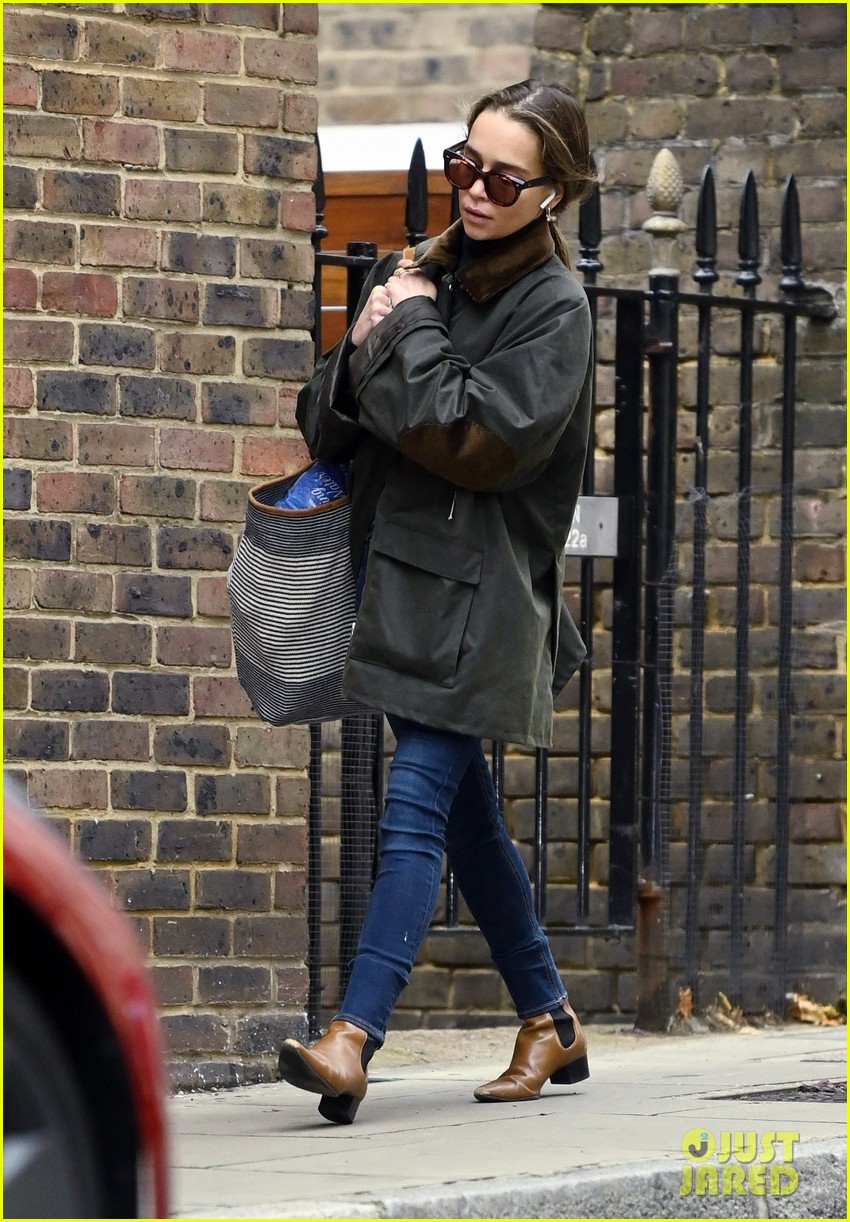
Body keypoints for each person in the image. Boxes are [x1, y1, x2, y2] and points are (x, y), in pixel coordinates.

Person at [279, 79, 597, 1124]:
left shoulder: (554, 311)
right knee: (469, 826)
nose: (473, 189)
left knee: (414, 809)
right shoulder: (417, 273)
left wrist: (402, 332)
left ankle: (353, 1034)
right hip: (398, 584)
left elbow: (474, 441)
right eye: (463, 164)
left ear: (552, 194)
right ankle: (549, 1016)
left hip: (484, 604)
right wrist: (369, 328)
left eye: (502, 177)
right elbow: (327, 422)